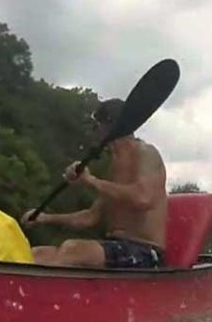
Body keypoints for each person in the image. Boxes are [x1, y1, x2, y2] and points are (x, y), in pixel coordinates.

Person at [24, 99, 168, 269]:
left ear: (107, 126)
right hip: (115, 247)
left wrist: (90, 181)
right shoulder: (113, 167)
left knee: (72, 249)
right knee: (35, 253)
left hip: (145, 253)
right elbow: (90, 217)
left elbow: (143, 198)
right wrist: (45, 218)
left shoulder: (146, 153)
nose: (96, 133)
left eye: (98, 126)